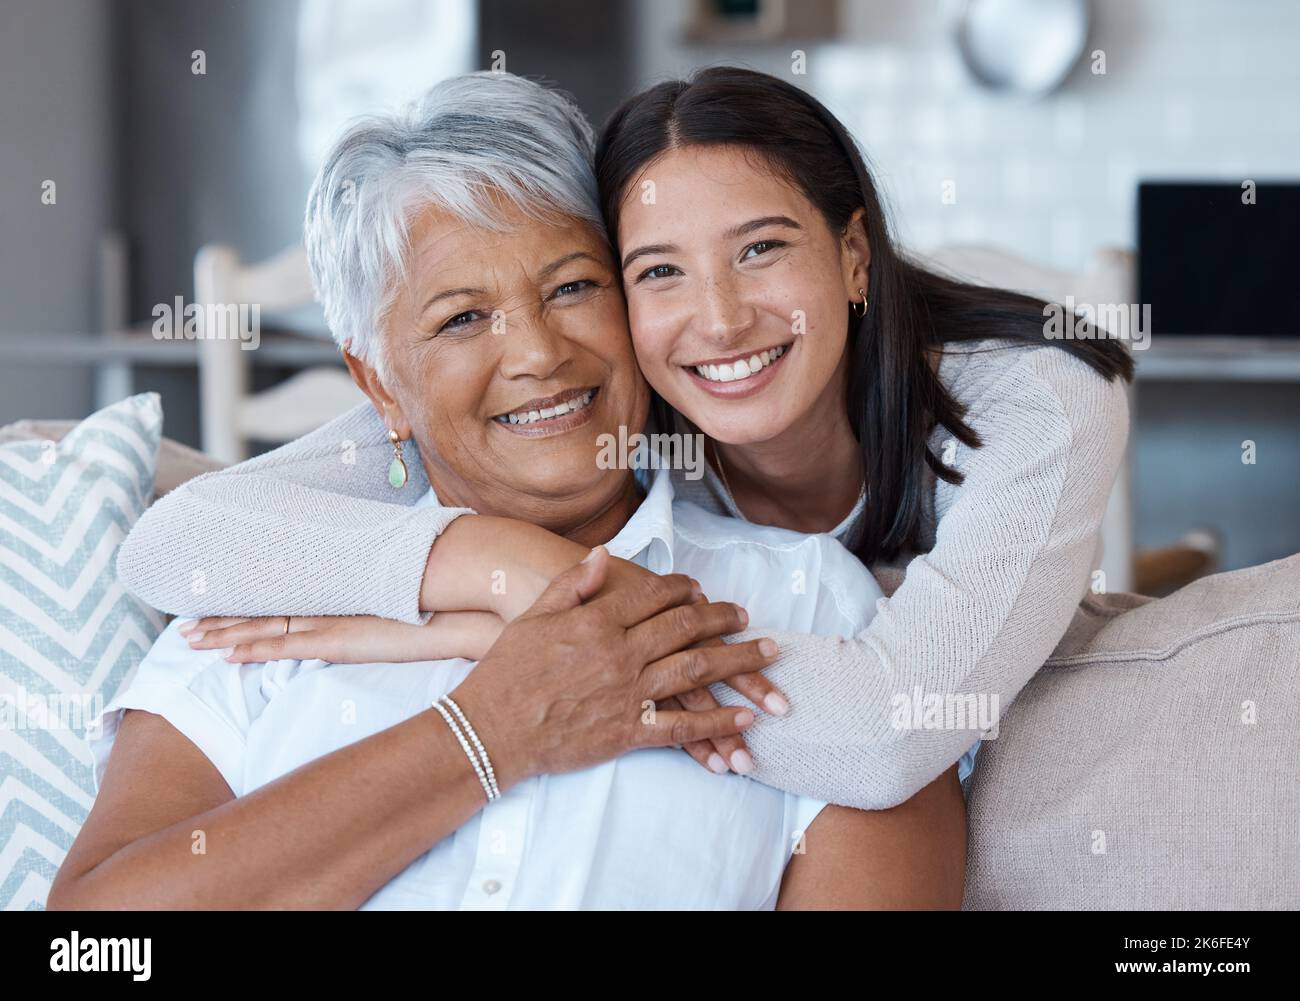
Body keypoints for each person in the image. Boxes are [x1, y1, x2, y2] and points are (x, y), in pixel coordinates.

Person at [115, 67, 1130, 903]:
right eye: (656, 271)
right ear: (383, 381)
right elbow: (175, 537)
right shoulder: (362, 525)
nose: (720, 320)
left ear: (852, 254)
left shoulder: (1021, 409)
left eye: (569, 288)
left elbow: (886, 733)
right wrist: (501, 572)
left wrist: (534, 648)